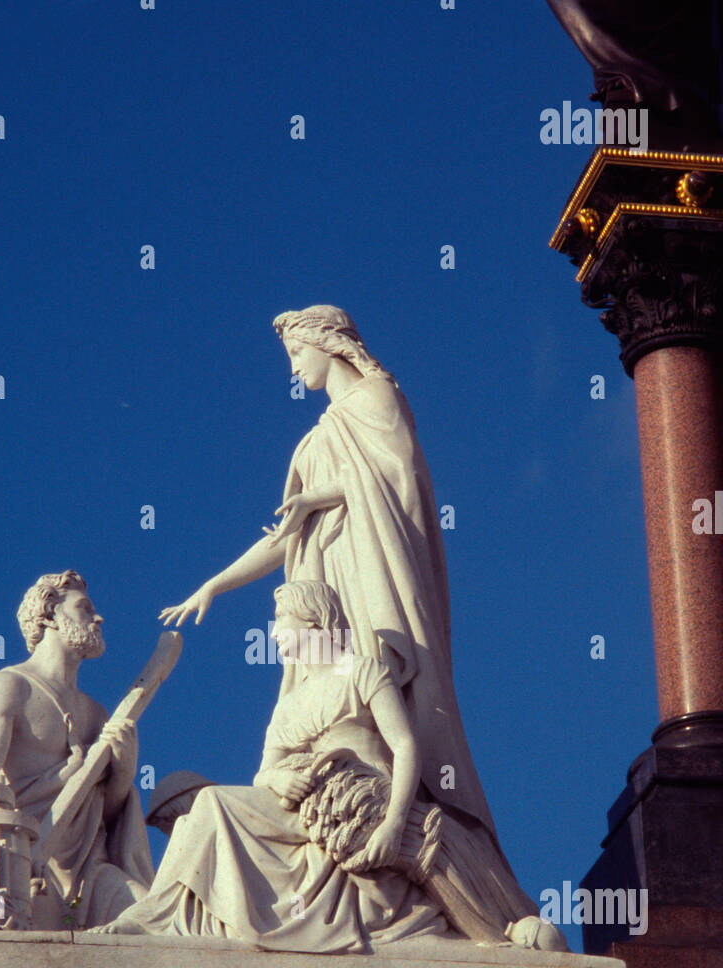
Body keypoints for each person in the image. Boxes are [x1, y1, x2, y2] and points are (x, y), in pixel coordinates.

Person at [160, 306, 523, 862]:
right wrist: (214, 585)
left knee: (388, 683)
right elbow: (285, 535)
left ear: (328, 344)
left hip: (378, 574)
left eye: (297, 354)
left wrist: (320, 497)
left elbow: (398, 479)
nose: (295, 368)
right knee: (324, 692)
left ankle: (409, 803)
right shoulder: (312, 443)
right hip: (324, 585)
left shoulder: (378, 398)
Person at [95, 580, 539, 948]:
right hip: (304, 806)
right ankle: (162, 914)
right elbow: (263, 773)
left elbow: (405, 748)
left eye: (280, 625)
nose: (272, 635)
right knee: (202, 808)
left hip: (361, 800)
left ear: (315, 622)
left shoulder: (363, 671)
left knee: (210, 801)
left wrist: (393, 823)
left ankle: (156, 917)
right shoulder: (290, 705)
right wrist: (279, 778)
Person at [0, 570, 153, 929]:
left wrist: (123, 772)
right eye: (84, 608)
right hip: (22, 859)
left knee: (156, 923)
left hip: (91, 871)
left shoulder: (97, 714)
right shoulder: (9, 686)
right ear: (49, 615)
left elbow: (107, 812)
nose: (98, 617)